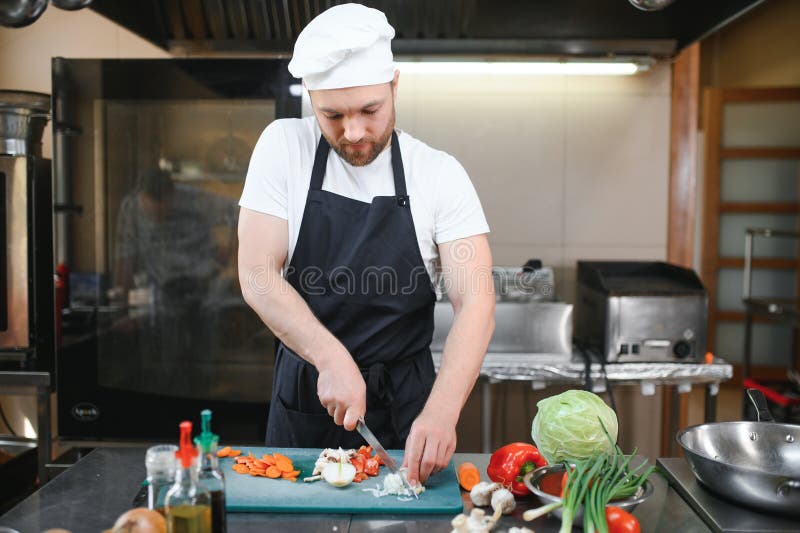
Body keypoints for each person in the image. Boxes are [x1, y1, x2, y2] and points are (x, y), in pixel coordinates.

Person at [237, 3, 495, 486]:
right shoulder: (283, 148)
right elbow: (256, 275)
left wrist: (442, 410)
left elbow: (477, 299)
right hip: (309, 394)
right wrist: (330, 358)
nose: (353, 133)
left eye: (369, 111)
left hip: (408, 401)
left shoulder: (438, 174)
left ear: (394, 85)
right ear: (310, 98)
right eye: (332, 115)